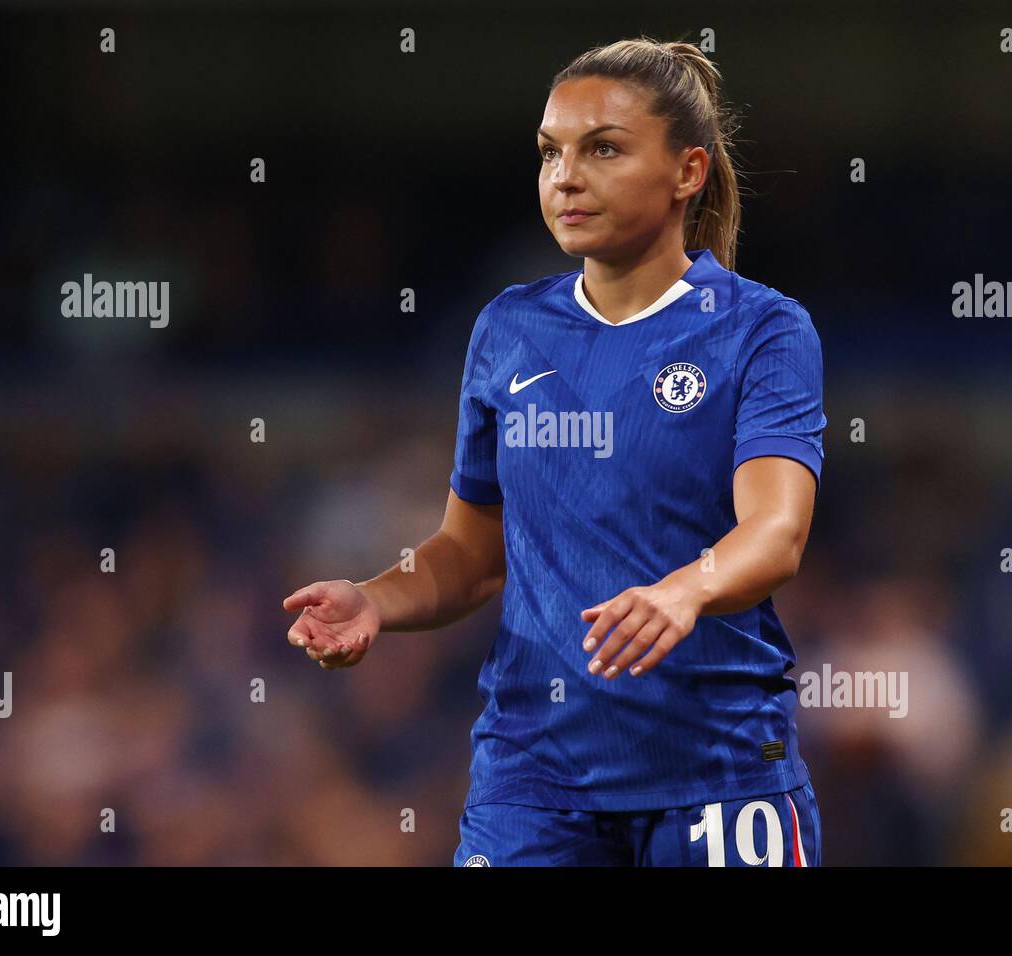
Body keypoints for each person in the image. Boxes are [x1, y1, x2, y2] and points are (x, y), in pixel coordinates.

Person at [283, 36, 826, 867]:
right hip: (533, 780)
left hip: (716, 768)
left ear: (688, 171)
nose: (565, 177)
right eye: (550, 153)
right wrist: (375, 600)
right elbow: (472, 554)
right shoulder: (508, 329)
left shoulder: (762, 329)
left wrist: (685, 590)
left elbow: (777, 533)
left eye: (603, 149)